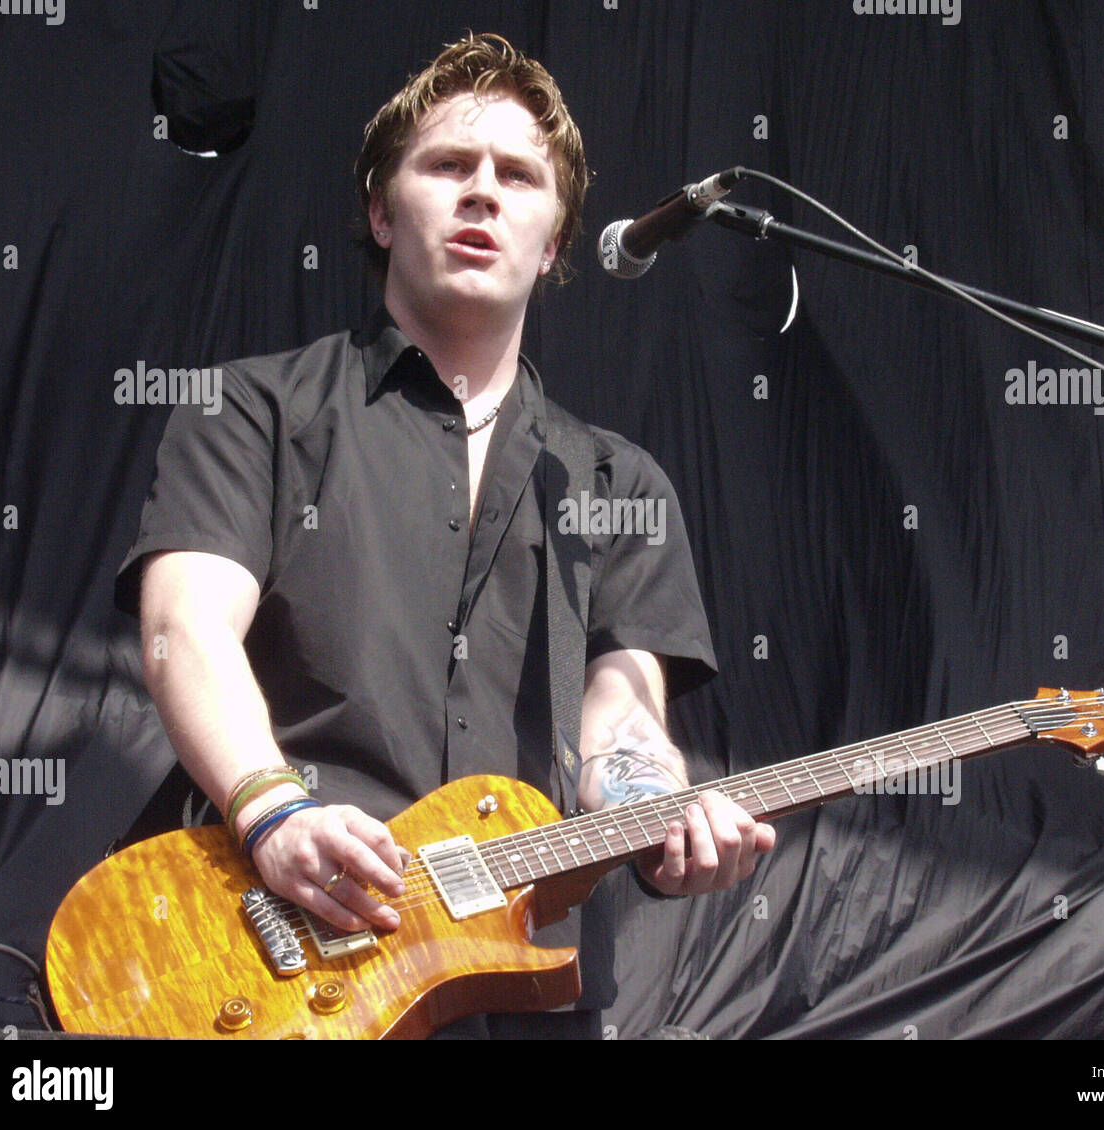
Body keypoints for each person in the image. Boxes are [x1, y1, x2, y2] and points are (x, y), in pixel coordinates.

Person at [115, 32, 775, 1037]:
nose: (482, 193)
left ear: (553, 243)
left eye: (518, 176)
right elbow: (183, 630)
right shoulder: (253, 409)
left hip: (522, 983)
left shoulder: (613, 481)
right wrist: (273, 811)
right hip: (269, 950)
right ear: (382, 211)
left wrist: (665, 814)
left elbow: (621, 725)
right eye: (446, 166)